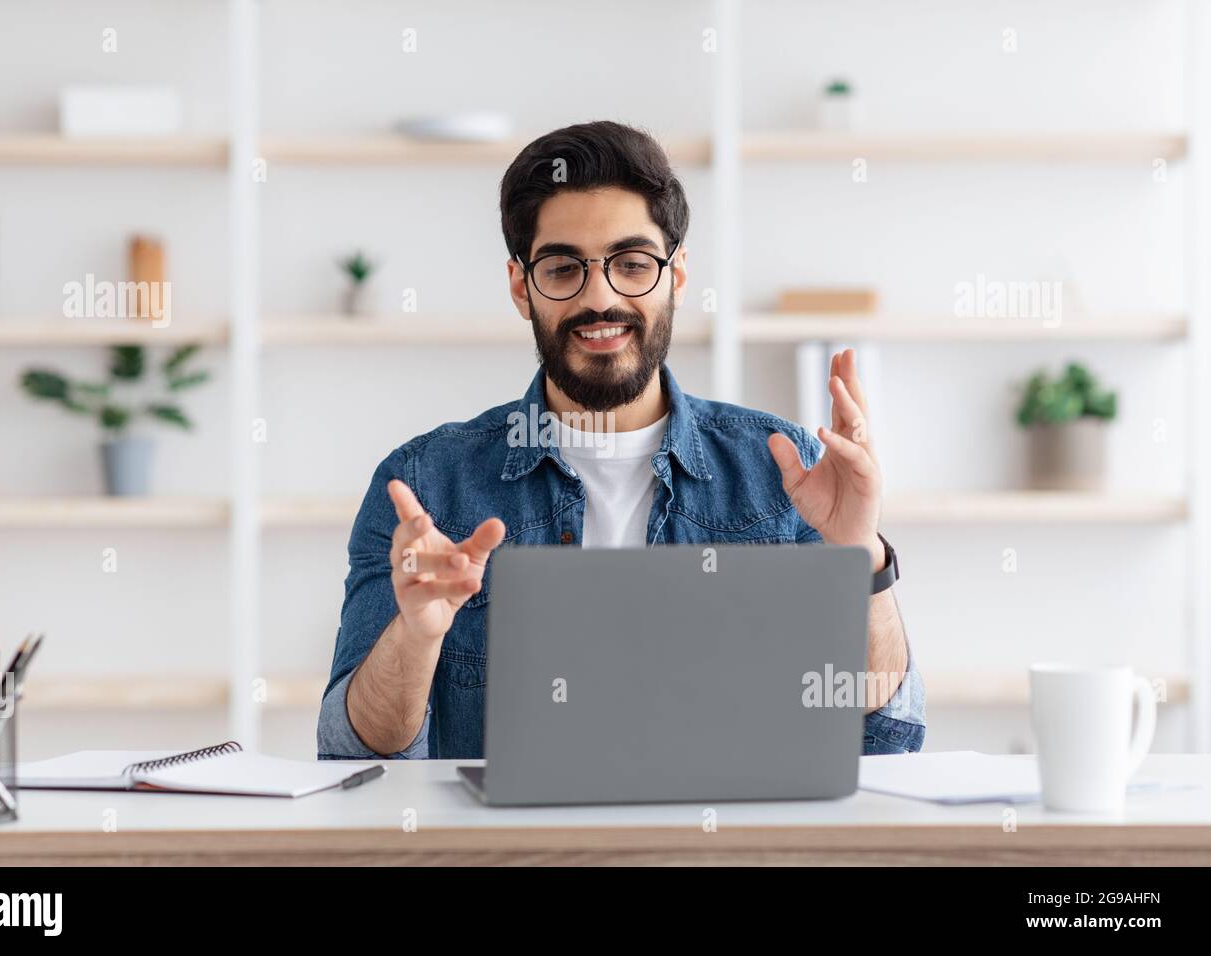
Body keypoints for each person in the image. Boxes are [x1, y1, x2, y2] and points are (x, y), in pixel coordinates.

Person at [318, 120, 925, 760]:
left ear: (677, 275)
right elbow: (354, 757)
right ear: (523, 287)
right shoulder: (424, 485)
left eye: (632, 264)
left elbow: (885, 743)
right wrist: (417, 635)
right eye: (561, 268)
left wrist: (862, 558)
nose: (600, 298)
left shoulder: (784, 472)